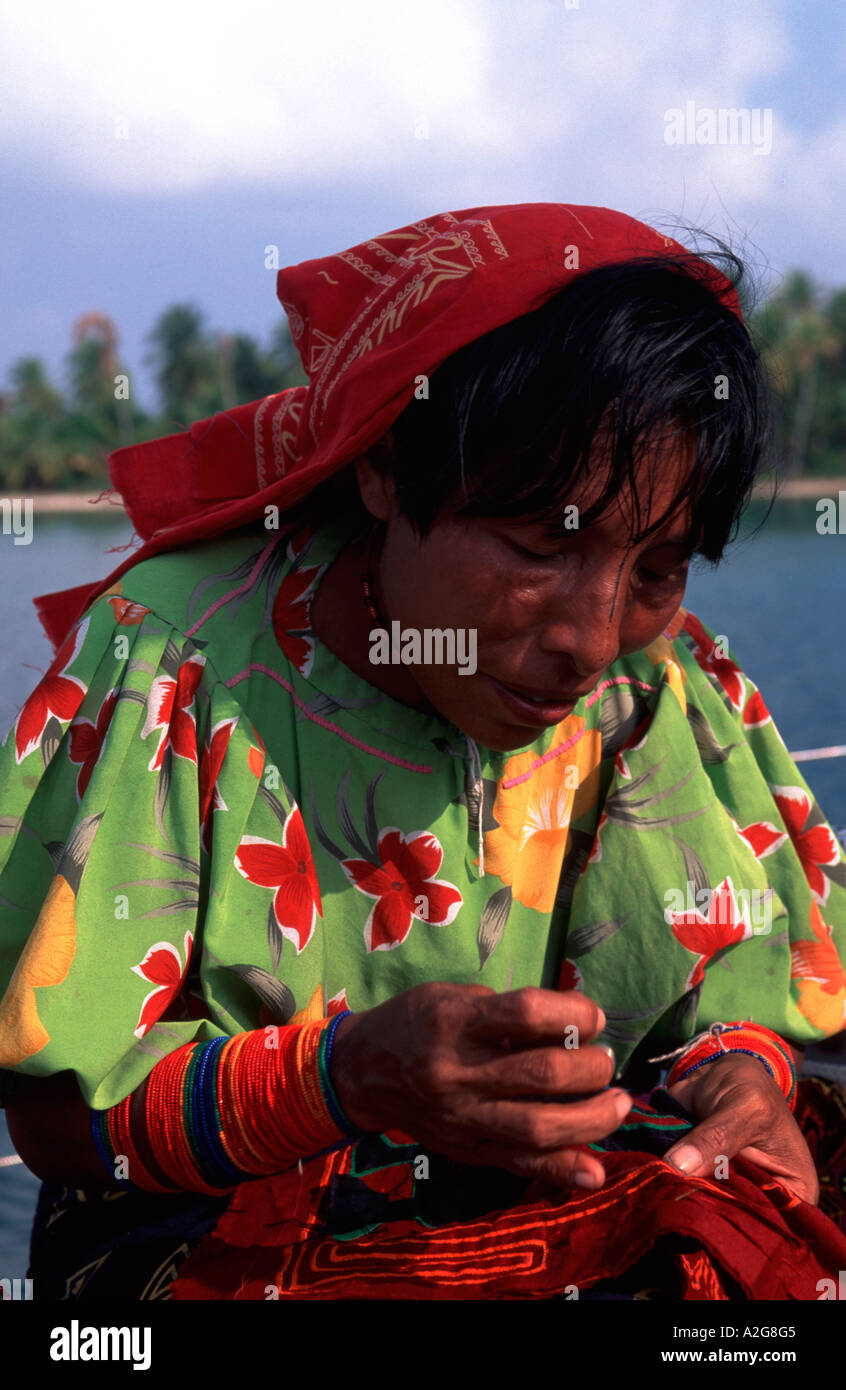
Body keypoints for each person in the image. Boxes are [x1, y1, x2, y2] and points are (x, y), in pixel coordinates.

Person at [1, 203, 845, 1302]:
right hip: (219, 1225)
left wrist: (740, 1079)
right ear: (389, 469)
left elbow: (736, 995)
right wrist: (348, 1075)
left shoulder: (655, 686)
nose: (589, 640)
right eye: (545, 544)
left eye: (658, 566)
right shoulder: (182, 662)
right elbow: (62, 1122)